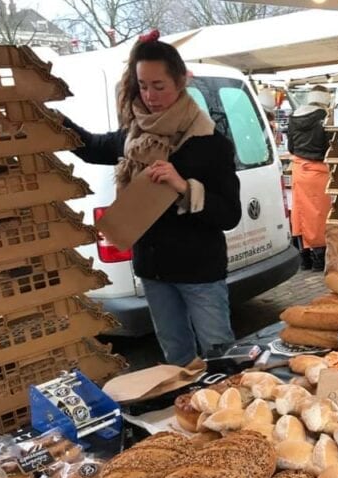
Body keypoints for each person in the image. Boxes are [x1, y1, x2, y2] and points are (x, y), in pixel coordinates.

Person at [61, 31, 241, 367]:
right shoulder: (135, 137)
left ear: (179, 82)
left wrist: (184, 187)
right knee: (176, 360)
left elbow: (230, 214)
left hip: (200, 272)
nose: (150, 95)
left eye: (159, 86)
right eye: (143, 85)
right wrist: (45, 117)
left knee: (221, 359)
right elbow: (88, 146)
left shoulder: (208, 142)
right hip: (154, 270)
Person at [287, 86, 332, 272]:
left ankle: (304, 259)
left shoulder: (294, 117)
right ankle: (320, 260)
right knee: (319, 215)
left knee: (299, 214)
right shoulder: (324, 117)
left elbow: (291, 146)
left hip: (298, 169)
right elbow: (329, 145)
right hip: (319, 171)